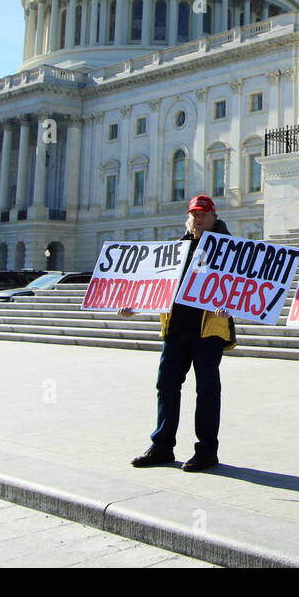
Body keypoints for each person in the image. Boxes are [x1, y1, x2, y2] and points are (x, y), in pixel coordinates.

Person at [126, 195, 235, 472]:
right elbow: (158, 283)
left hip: (208, 330)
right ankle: (162, 446)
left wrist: (230, 305)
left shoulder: (231, 249)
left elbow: (240, 287)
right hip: (175, 328)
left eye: (203, 214)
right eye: (194, 215)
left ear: (214, 217)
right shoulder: (179, 247)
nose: (197, 219)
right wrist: (135, 305)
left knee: (207, 390)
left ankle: (207, 451)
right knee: (166, 386)